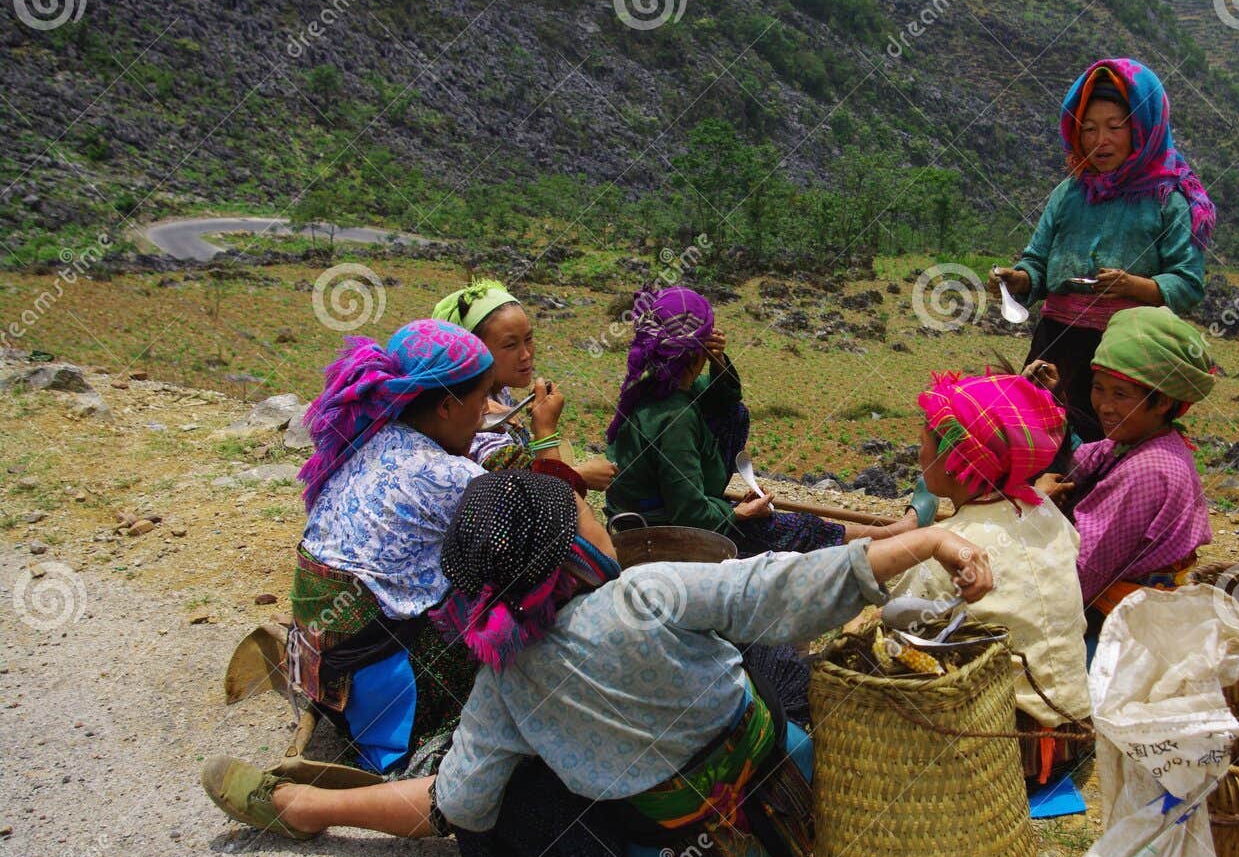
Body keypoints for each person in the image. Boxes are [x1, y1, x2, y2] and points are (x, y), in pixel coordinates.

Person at [201, 470, 992, 857]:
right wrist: (924, 536)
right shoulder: (651, 594)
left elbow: (463, 806)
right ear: (576, 544)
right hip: (800, 800)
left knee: (502, 807)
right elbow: (787, 587)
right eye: (586, 511)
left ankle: (306, 806)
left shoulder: (504, 682)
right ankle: (309, 804)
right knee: (767, 653)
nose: (599, 517)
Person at [286, 318, 500, 776]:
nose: (487, 411)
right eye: (483, 398)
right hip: (374, 663)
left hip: (321, 642)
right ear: (446, 406)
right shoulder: (454, 477)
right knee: (500, 604)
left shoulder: (367, 438)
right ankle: (406, 746)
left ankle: (330, 700)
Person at [989, 57, 1214, 454]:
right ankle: (1043, 512)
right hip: (1057, 339)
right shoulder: (1070, 192)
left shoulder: (1168, 199)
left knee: (1104, 443)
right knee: (1037, 433)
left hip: (1127, 351)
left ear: (1142, 128)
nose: (1100, 141)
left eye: (1115, 127)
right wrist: (1018, 279)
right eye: (1089, 129)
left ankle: (1101, 514)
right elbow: (1038, 260)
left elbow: (1187, 282)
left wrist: (1133, 286)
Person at [885, 371, 1090, 784]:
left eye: (926, 440)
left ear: (954, 458)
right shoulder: (1045, 514)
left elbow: (896, 621)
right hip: (1076, 733)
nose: (919, 451)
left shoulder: (951, 546)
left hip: (1008, 749)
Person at [604, 285, 916, 555]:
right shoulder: (676, 418)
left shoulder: (654, 384)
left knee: (733, 415)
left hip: (652, 513)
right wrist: (736, 513)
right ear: (695, 351)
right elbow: (690, 515)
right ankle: (893, 534)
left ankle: (718, 500)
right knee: (794, 527)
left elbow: (726, 402)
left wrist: (719, 361)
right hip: (660, 532)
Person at [1039, 307, 1216, 662]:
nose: (1104, 406)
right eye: (1098, 389)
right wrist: (1047, 402)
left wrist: (1036, 509)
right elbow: (1082, 460)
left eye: (1120, 395)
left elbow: (1082, 578)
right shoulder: (1140, 441)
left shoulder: (1147, 471)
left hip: (1122, 633)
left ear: (1163, 401)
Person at [432, 279, 616, 491]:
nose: (526, 355)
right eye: (510, 345)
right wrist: (575, 471)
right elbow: (525, 494)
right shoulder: (471, 417)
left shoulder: (499, 394)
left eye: (528, 339)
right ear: (473, 352)